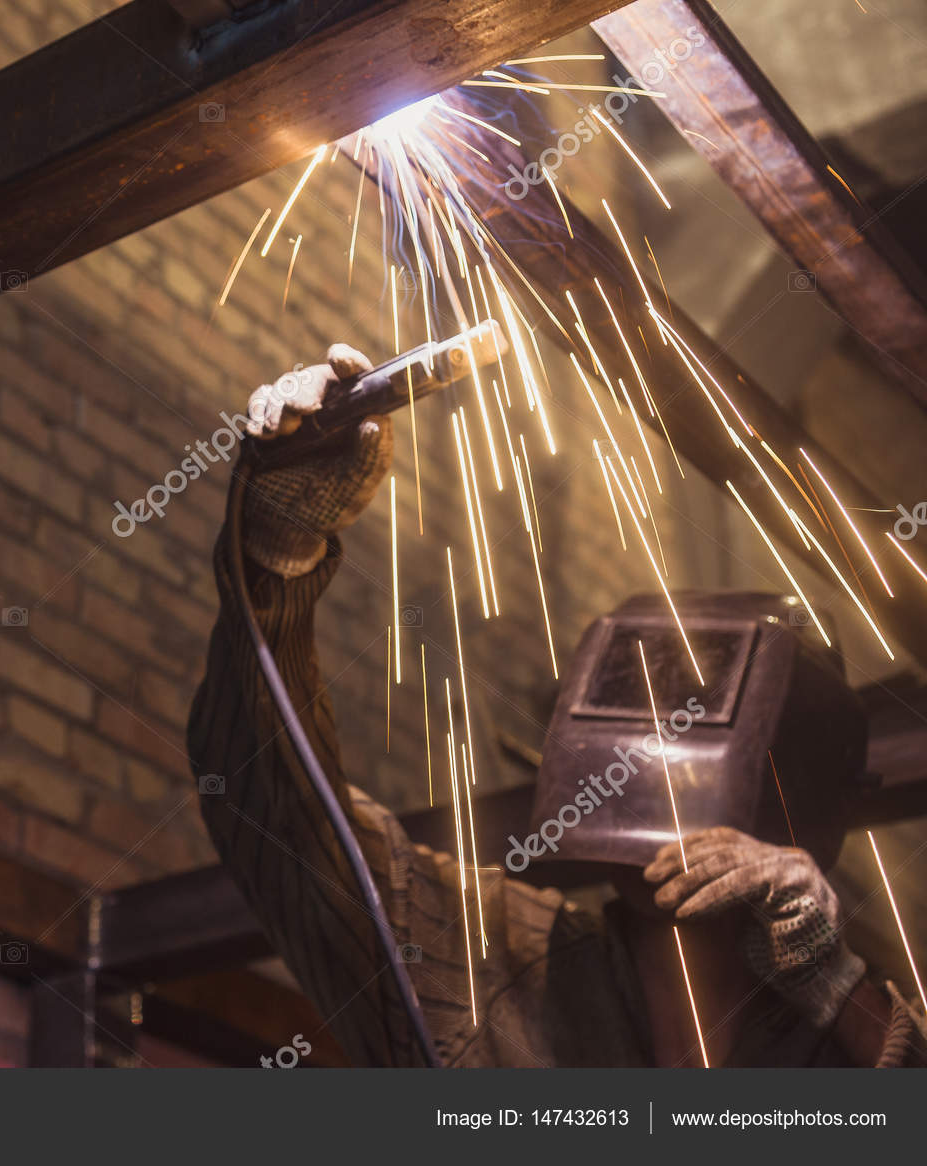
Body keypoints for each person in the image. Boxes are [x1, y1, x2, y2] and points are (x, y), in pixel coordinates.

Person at [186, 344, 927, 1067]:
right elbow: (275, 816)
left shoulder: (837, 1050)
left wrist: (835, 988)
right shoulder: (475, 962)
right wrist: (276, 555)